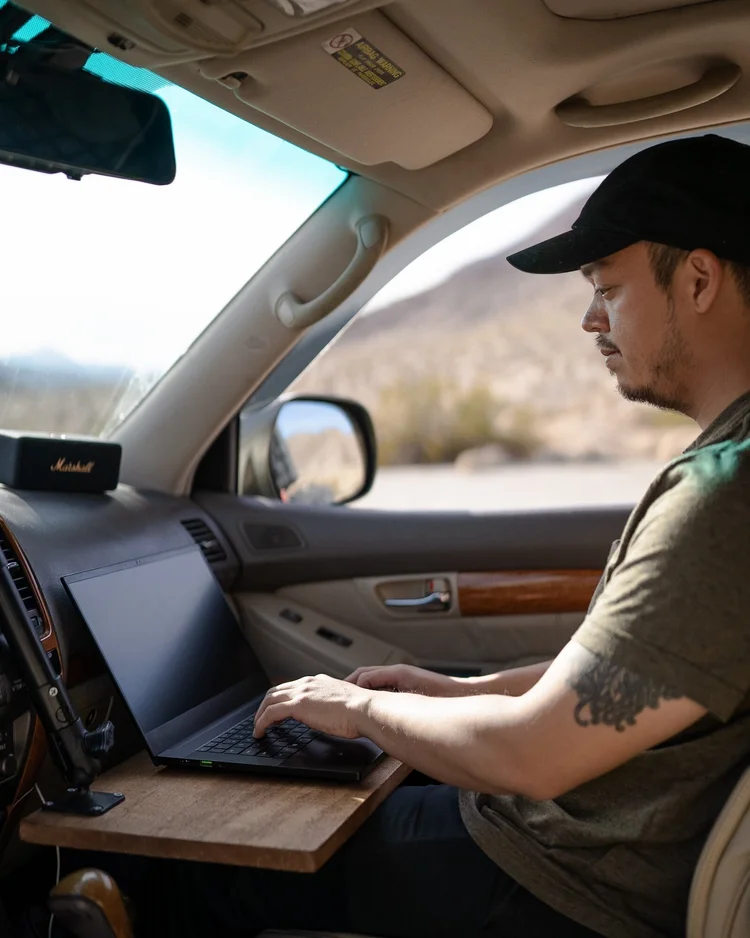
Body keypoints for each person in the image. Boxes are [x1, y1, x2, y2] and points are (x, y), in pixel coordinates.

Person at [83, 133, 750, 938]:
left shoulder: (722, 493)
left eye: (608, 287)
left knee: (174, 864)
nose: (589, 319)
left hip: (561, 887)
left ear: (701, 279)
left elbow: (535, 756)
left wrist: (358, 710)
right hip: (561, 844)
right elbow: (627, 675)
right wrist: (451, 693)